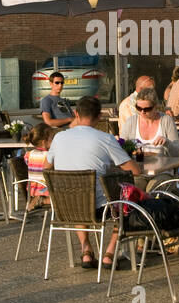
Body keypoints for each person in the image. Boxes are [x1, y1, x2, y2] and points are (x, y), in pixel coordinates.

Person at [45, 95, 144, 270]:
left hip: (65, 206)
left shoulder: (59, 138)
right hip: (99, 208)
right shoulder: (105, 138)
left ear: (76, 114)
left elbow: (47, 167)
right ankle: (109, 253)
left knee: (76, 192)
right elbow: (134, 171)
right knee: (127, 199)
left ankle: (86, 250)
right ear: (99, 117)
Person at [120, 87, 179, 157]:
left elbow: (178, 154)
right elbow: (121, 150)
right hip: (137, 166)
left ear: (155, 107)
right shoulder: (131, 122)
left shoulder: (166, 121)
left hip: (163, 166)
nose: (142, 112)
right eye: (139, 108)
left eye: (147, 109)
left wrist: (167, 143)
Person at [22, 122, 56, 210]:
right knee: (64, 198)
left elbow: (27, 163)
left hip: (32, 189)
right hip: (45, 189)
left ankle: (37, 199)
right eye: (52, 138)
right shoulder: (48, 156)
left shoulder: (28, 154)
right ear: (44, 142)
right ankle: (43, 201)